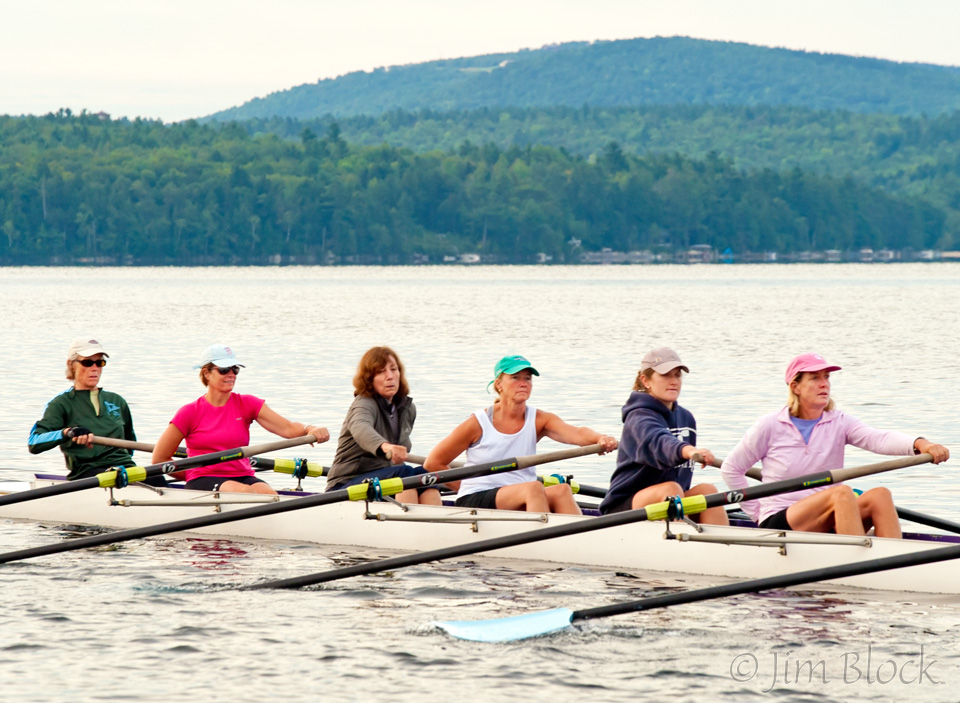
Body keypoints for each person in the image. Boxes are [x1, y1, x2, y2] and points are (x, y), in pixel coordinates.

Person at [721, 352, 950, 538]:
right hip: (782, 519)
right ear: (795, 386)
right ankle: (858, 563)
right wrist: (757, 513)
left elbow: (878, 438)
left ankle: (897, 563)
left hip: (830, 514)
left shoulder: (839, 422)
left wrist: (922, 443)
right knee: (841, 492)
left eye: (827, 378)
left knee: (880, 495)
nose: (824, 384)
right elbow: (732, 469)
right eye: (815, 378)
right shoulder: (769, 425)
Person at [424, 354, 618, 514]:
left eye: (527, 378)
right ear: (499, 384)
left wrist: (599, 438)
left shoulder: (539, 419)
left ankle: (580, 543)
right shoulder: (478, 423)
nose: (523, 383)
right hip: (477, 497)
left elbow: (575, 433)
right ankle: (541, 545)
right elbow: (433, 462)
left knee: (561, 490)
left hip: (521, 495)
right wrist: (465, 486)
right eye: (515, 378)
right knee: (534, 488)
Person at [151, 344, 329, 494]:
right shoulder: (189, 412)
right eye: (224, 370)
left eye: (235, 369)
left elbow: (288, 428)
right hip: (203, 480)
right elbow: (160, 459)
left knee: (269, 494)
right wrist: (194, 473)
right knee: (247, 493)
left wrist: (309, 429)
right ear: (206, 373)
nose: (232, 374)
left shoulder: (247, 404)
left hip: (243, 475)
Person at [599, 347, 729, 525]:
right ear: (646, 381)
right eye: (666, 375)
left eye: (677, 375)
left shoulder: (686, 418)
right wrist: (688, 450)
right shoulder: (638, 417)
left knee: (709, 491)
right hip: (623, 508)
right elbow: (658, 441)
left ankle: (722, 546)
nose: (674, 381)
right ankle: (681, 543)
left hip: (671, 499)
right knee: (670, 489)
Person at [28, 337, 167, 487]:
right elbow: (34, 442)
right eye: (87, 362)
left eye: (99, 363)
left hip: (125, 469)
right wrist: (67, 432)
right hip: (88, 473)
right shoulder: (61, 404)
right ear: (71, 365)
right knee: (113, 480)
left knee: (157, 479)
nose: (94, 368)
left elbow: (129, 445)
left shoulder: (117, 401)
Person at [325, 346, 440, 505]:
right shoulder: (363, 404)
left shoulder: (407, 409)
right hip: (344, 486)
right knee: (405, 473)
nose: (390, 376)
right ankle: (409, 525)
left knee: (426, 476)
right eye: (380, 372)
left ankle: (434, 525)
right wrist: (386, 447)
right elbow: (361, 428)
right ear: (369, 378)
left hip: (383, 481)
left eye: (394, 369)